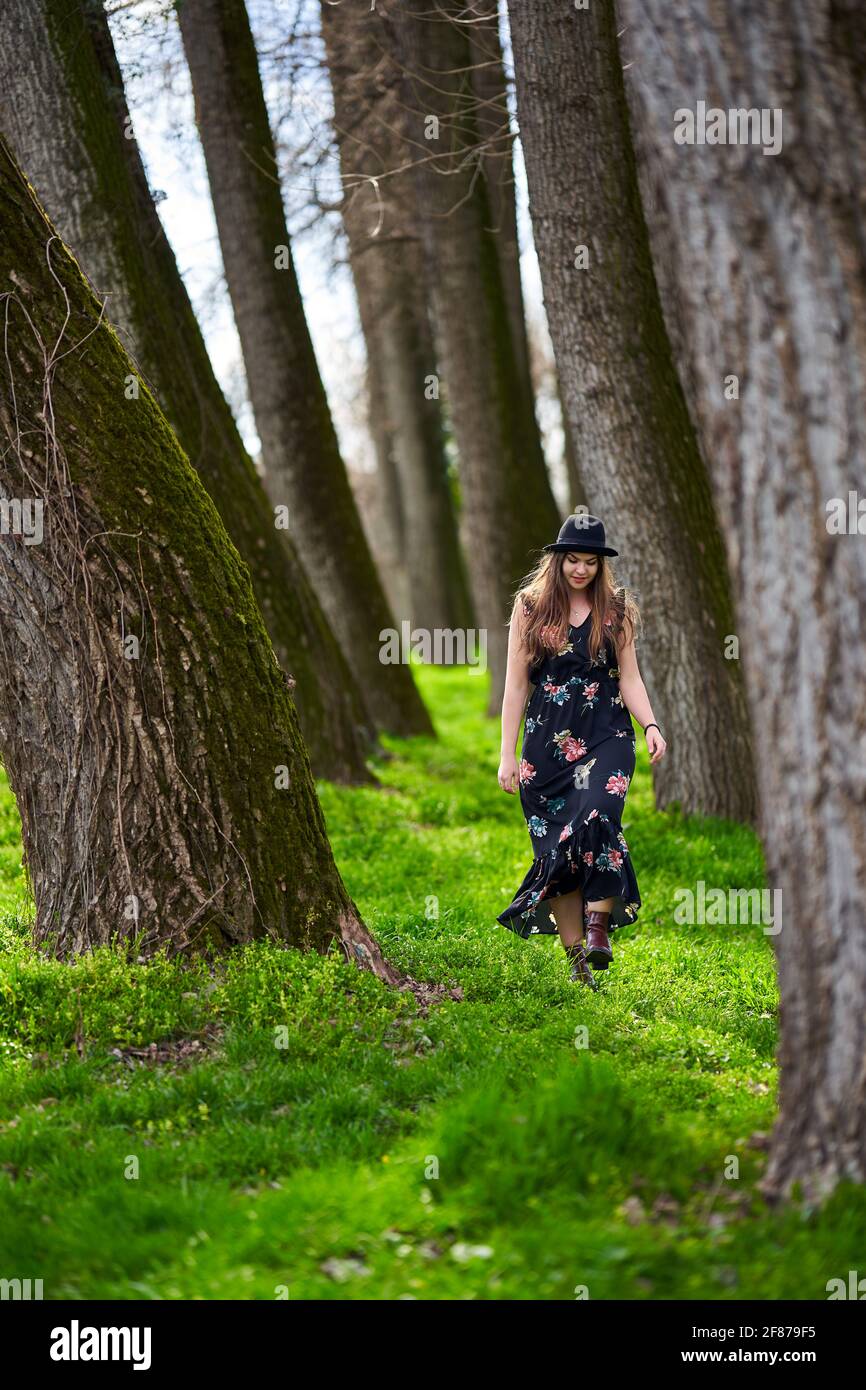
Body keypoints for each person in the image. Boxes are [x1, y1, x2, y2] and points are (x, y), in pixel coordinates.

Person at [496, 514, 667, 988]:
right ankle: (577, 964)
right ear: (558, 559)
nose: (580, 570)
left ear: (600, 565)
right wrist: (506, 756)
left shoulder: (618, 609)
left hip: (606, 734)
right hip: (545, 749)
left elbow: (629, 677)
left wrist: (650, 724)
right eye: (572, 560)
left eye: (590, 562)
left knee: (599, 816)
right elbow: (514, 687)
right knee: (558, 853)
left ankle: (599, 928)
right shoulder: (530, 607)